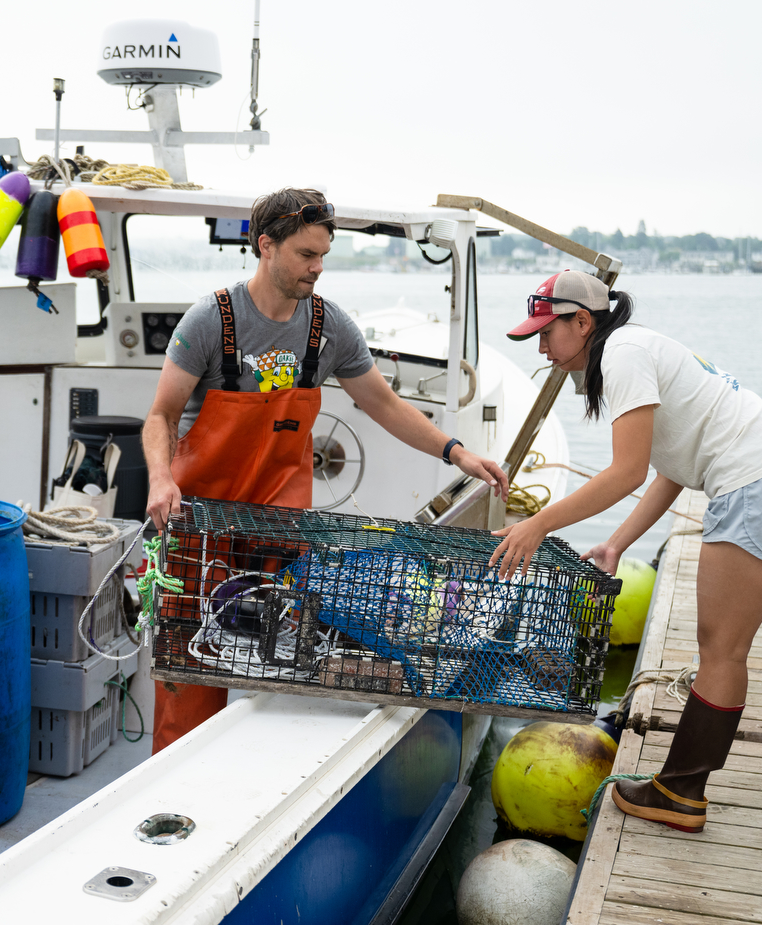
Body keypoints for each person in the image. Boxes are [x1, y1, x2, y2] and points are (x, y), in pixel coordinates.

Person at [491, 270, 762, 834]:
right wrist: (618, 543)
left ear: (583, 322)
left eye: (548, 332)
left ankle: (681, 791)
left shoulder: (620, 355)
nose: (542, 347)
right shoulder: (639, 346)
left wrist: (538, 525)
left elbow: (625, 473)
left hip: (755, 486)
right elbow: (670, 468)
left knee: (721, 650)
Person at [143, 187, 509, 752]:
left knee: (296, 662)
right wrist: (161, 479)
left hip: (282, 530)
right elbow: (162, 415)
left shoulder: (329, 325)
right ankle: (172, 794)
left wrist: (457, 452)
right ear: (266, 247)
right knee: (189, 672)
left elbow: (384, 404)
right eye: (306, 255)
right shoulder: (210, 321)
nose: (317, 268)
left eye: (323, 256)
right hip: (201, 528)